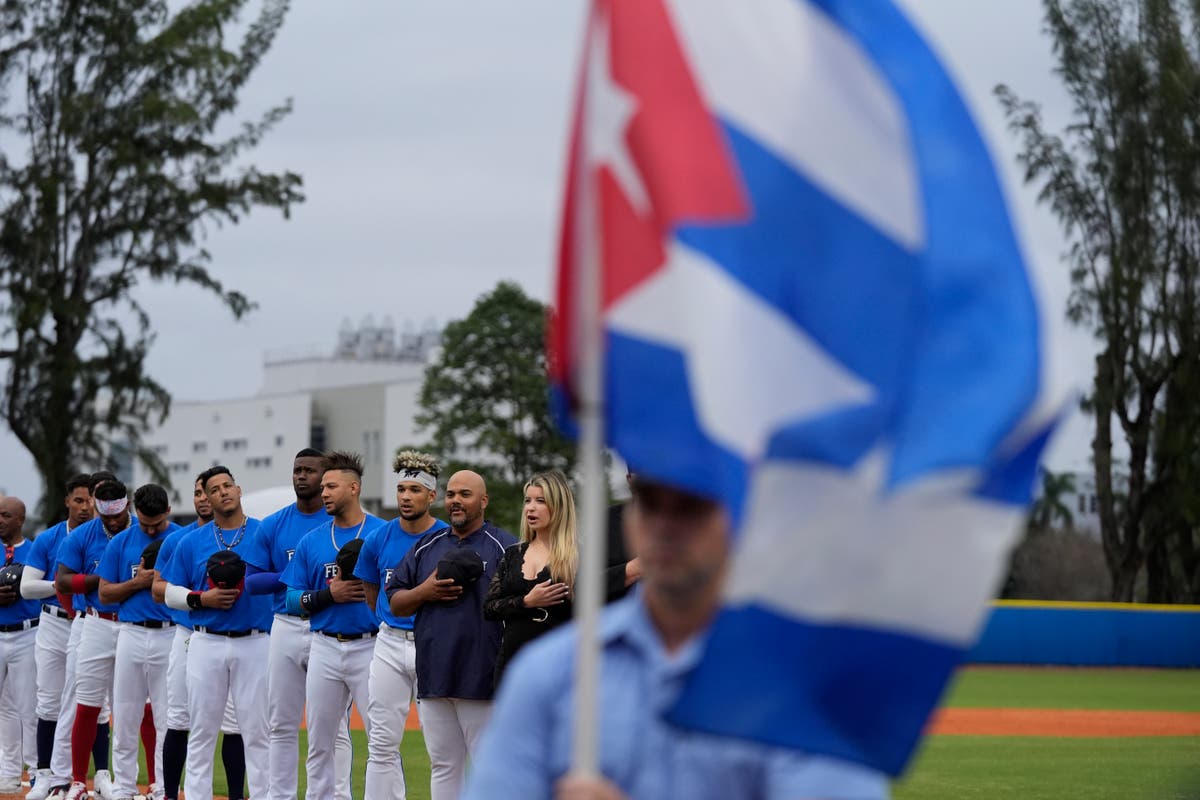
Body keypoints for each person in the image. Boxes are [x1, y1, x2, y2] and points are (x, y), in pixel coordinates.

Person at [462, 477, 890, 800]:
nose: (666, 525)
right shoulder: (549, 675)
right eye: (649, 503)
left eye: (690, 506)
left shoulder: (797, 684)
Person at [385, 470, 517, 800]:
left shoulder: (506, 546)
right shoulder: (425, 546)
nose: (455, 500)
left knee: (489, 768)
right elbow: (396, 602)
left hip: (482, 676)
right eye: (451, 494)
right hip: (434, 674)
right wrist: (425, 590)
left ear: (483, 501)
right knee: (443, 767)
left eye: (465, 494)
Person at [241, 448, 351, 800]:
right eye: (297, 470)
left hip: (329, 626)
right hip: (286, 625)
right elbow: (252, 582)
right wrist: (300, 575)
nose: (301, 476)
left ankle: (337, 795)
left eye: (309, 470)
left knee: (335, 727)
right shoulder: (274, 524)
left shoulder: (341, 523)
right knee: (282, 722)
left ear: (327, 477)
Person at [157, 466, 272, 800]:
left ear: (238, 489)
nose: (223, 492)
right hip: (205, 639)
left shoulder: (264, 534)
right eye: (214, 489)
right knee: (203, 732)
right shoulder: (191, 541)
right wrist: (200, 598)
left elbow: (283, 577)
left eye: (227, 485)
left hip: (255, 640)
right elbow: (166, 591)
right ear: (206, 497)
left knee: (257, 733)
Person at [281, 451, 385, 799]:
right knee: (320, 743)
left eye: (331, 486)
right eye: (322, 486)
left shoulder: (382, 534)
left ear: (353, 488)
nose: (323, 492)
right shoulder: (311, 540)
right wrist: (329, 595)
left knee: (382, 741)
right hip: (324, 644)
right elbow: (291, 600)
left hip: (371, 646)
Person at [354, 449, 449, 800]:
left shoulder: (447, 536)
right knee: (380, 742)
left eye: (415, 491)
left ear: (431, 495)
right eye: (401, 490)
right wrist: (387, 619)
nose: (406, 497)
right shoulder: (379, 537)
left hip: (433, 642)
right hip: (390, 642)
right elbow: (370, 589)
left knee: (440, 746)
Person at [52, 478, 139, 800]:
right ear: (97, 508)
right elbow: (61, 580)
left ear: (126, 505)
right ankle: (76, 780)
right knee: (85, 704)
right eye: (107, 517)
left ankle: (123, 781)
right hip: (97, 622)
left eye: (118, 515)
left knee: (129, 707)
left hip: (134, 625)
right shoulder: (85, 533)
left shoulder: (141, 531)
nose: (113, 522)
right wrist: (99, 580)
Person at [96, 484, 179, 800]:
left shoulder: (180, 538)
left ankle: (160, 785)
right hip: (130, 631)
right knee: (126, 713)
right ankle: (125, 786)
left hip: (170, 632)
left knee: (166, 717)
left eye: (156, 523)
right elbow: (104, 594)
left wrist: (160, 583)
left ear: (168, 511)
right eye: (144, 522)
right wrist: (138, 582)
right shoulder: (121, 541)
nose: (150, 529)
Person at [17, 474, 95, 800]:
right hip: (53, 621)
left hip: (90, 621)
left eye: (90, 500)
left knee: (94, 705)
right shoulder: (50, 538)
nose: (85, 507)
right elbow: (26, 586)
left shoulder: (104, 536)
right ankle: (44, 776)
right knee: (48, 702)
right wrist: (65, 584)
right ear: (67, 501)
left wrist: (74, 584)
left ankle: (99, 775)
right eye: (79, 500)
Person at [484, 470, 577, 689]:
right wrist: (527, 602)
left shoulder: (577, 556)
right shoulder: (513, 554)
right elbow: (489, 608)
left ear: (559, 507)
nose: (530, 507)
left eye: (540, 501)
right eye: (528, 500)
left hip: (559, 667)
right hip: (512, 664)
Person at [0, 496, 39, 794]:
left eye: (5, 515)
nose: (0, 520)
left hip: (27, 633)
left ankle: (37, 771)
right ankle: (9, 773)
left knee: (29, 707)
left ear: (20, 519)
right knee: (5, 709)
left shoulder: (36, 550)